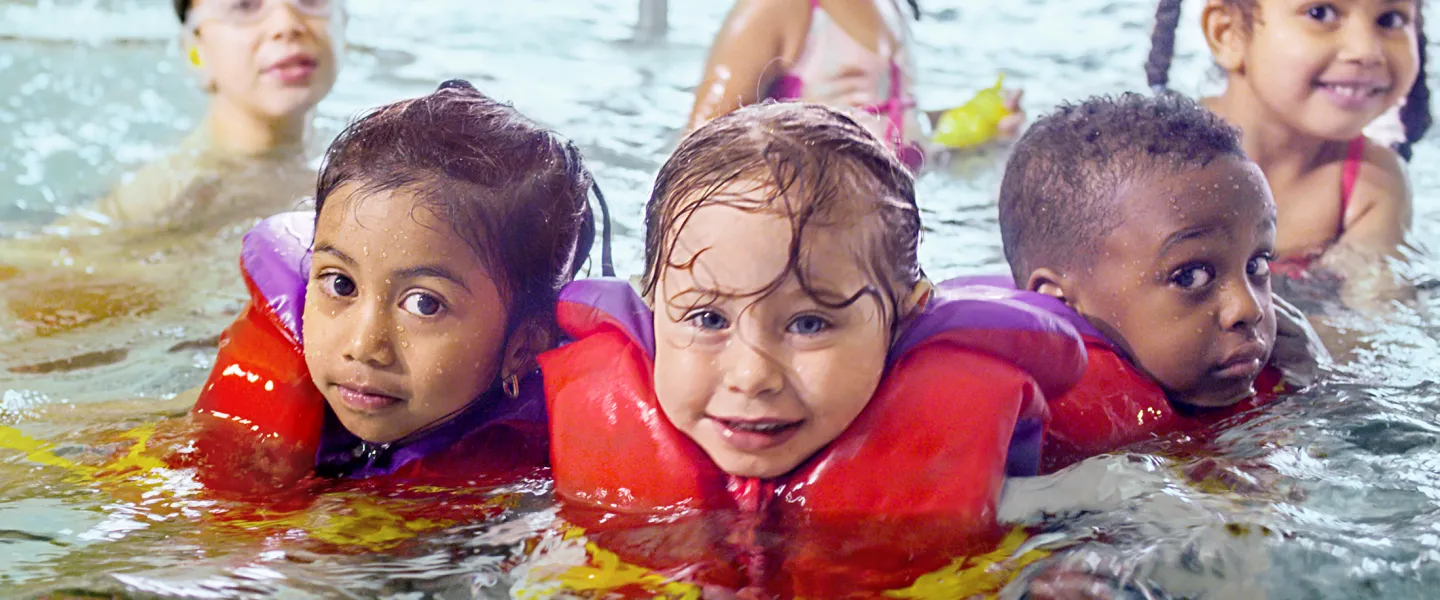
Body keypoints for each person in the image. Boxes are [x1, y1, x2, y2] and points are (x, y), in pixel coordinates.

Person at [539, 102, 1084, 596]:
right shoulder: (546, 443)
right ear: (652, 305)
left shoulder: (1004, 471)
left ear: (906, 314)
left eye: (808, 323)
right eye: (708, 318)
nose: (752, 375)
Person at [187, 79, 608, 494]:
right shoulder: (275, 378)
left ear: (523, 348)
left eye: (424, 304)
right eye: (341, 284)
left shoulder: (533, 482)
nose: (364, 345)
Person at [998, 93, 1324, 472]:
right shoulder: (1036, 435)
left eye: (1257, 264)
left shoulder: (1285, 375)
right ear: (1059, 304)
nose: (1248, 308)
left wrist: (1315, 378)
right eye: (1191, 276)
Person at [1146, 0, 1428, 306]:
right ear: (1228, 33)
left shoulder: (1371, 183)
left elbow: (1374, 322)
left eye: (1389, 19)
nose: (1366, 50)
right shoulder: (1155, 163)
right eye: (1320, 13)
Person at [687, 0, 1024, 172]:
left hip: (888, 213)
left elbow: (887, 121)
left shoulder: (892, 7)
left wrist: (974, 122)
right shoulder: (779, 7)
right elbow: (697, 149)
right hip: (817, 215)